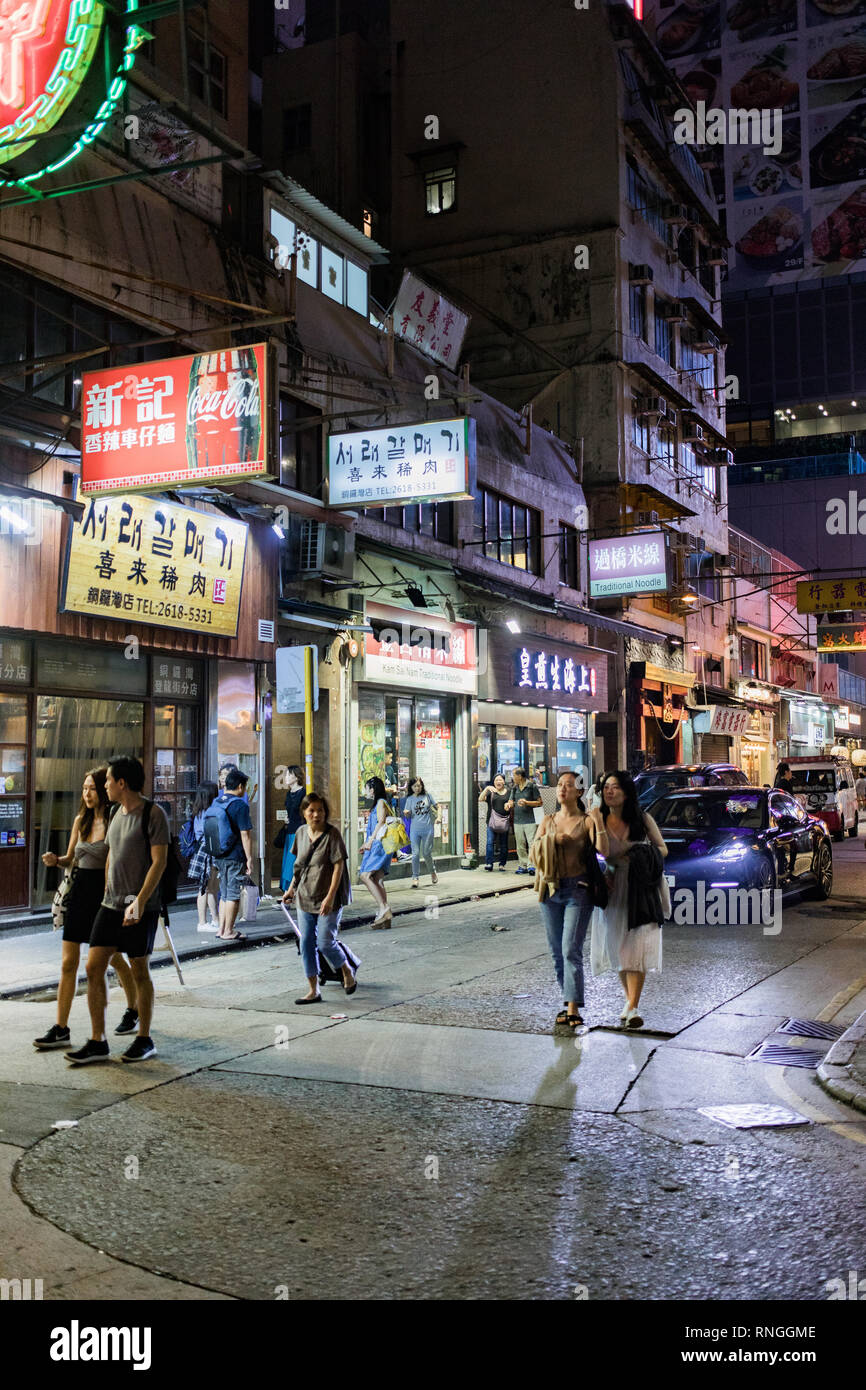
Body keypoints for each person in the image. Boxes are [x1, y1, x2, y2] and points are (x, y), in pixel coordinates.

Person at [65, 757, 168, 1065]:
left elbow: (159, 862)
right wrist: (108, 889)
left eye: (108, 780)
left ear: (122, 783)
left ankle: (144, 1038)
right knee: (93, 967)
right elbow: (111, 853)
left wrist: (139, 900)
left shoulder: (153, 813)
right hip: (110, 905)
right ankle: (98, 1041)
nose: (105, 785)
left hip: (141, 906)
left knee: (139, 969)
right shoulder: (115, 812)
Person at [34, 768, 138, 1050]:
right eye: (84, 788)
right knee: (69, 962)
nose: (87, 793)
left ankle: (133, 1007)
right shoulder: (81, 820)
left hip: (104, 895)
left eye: (92, 787)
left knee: (113, 958)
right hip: (79, 893)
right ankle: (61, 1028)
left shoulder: (117, 819)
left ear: (104, 790)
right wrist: (56, 860)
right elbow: (71, 858)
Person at [530, 770, 608, 1032]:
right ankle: (568, 1001)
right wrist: (552, 840)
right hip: (550, 891)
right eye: (560, 784)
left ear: (578, 792)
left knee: (569, 949)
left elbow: (603, 850)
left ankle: (573, 1007)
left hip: (579, 890)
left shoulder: (586, 822)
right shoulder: (548, 820)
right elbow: (533, 852)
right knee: (556, 952)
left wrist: (599, 822)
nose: (563, 788)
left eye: (569, 785)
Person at [590, 770, 667, 1031]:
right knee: (620, 949)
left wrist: (637, 856)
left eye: (615, 787)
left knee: (638, 947)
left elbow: (662, 848)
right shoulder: (597, 818)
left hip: (641, 887)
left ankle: (633, 1006)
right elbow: (595, 852)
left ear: (626, 792)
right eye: (606, 787)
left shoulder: (643, 819)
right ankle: (629, 1003)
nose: (609, 791)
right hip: (613, 888)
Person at [281, 793, 356, 1003]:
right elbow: (299, 866)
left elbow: (339, 867)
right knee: (306, 943)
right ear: (304, 813)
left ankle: (346, 969)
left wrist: (330, 897)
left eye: (320, 810)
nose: (316, 815)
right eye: (311, 810)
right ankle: (313, 989)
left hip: (328, 897)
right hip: (305, 895)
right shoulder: (301, 833)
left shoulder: (332, 835)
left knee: (325, 943)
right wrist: (291, 889)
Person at [208, 768, 255, 941]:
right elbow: (245, 834)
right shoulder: (239, 804)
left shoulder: (216, 802)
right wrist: (249, 859)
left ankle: (221, 929)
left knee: (224, 893)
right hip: (234, 855)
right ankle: (229, 930)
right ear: (240, 786)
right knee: (233, 894)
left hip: (218, 854)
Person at [359, 776, 392, 927]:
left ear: (372, 790)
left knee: (365, 875)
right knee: (378, 878)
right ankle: (384, 917)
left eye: (366, 788)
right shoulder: (382, 802)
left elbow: (380, 822)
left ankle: (384, 908)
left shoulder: (380, 803)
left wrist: (370, 841)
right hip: (380, 844)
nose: (365, 791)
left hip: (379, 845)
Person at [187, 781, 220, 933]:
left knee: (209, 887)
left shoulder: (199, 811)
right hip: (208, 850)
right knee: (206, 888)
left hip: (204, 849)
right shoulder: (210, 812)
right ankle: (203, 922)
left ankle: (215, 920)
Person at [403, 777, 439, 888]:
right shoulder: (409, 799)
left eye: (419, 785)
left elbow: (438, 807)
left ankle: (432, 872)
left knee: (427, 853)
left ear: (422, 786)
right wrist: (406, 813)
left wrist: (439, 817)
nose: (417, 788)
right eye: (415, 786)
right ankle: (415, 877)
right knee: (415, 854)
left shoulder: (428, 796)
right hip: (414, 830)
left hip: (428, 829)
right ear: (411, 787)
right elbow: (408, 815)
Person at [505, 767, 543, 874]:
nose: (513, 777)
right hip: (517, 820)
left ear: (520, 776)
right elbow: (511, 801)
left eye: (514, 775)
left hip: (530, 820)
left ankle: (532, 865)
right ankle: (523, 865)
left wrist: (527, 802)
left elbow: (540, 803)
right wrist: (509, 804)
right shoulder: (514, 788)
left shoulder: (532, 786)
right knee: (520, 845)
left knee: (531, 843)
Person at [279, 765, 305, 892]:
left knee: (292, 864)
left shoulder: (304, 792)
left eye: (289, 774)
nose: (286, 777)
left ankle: (290, 895)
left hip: (299, 832)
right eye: (286, 774)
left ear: (297, 776)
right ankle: (288, 895)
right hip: (289, 831)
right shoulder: (289, 794)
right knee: (288, 865)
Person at [479, 773, 511, 871]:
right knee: (489, 843)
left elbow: (512, 801)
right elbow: (480, 799)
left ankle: (502, 864)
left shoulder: (509, 792)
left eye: (500, 780)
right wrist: (487, 788)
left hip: (504, 821)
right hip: (491, 821)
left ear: (504, 781)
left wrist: (509, 804)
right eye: (496, 780)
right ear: (494, 782)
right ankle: (489, 863)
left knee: (503, 844)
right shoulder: (491, 791)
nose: (498, 782)